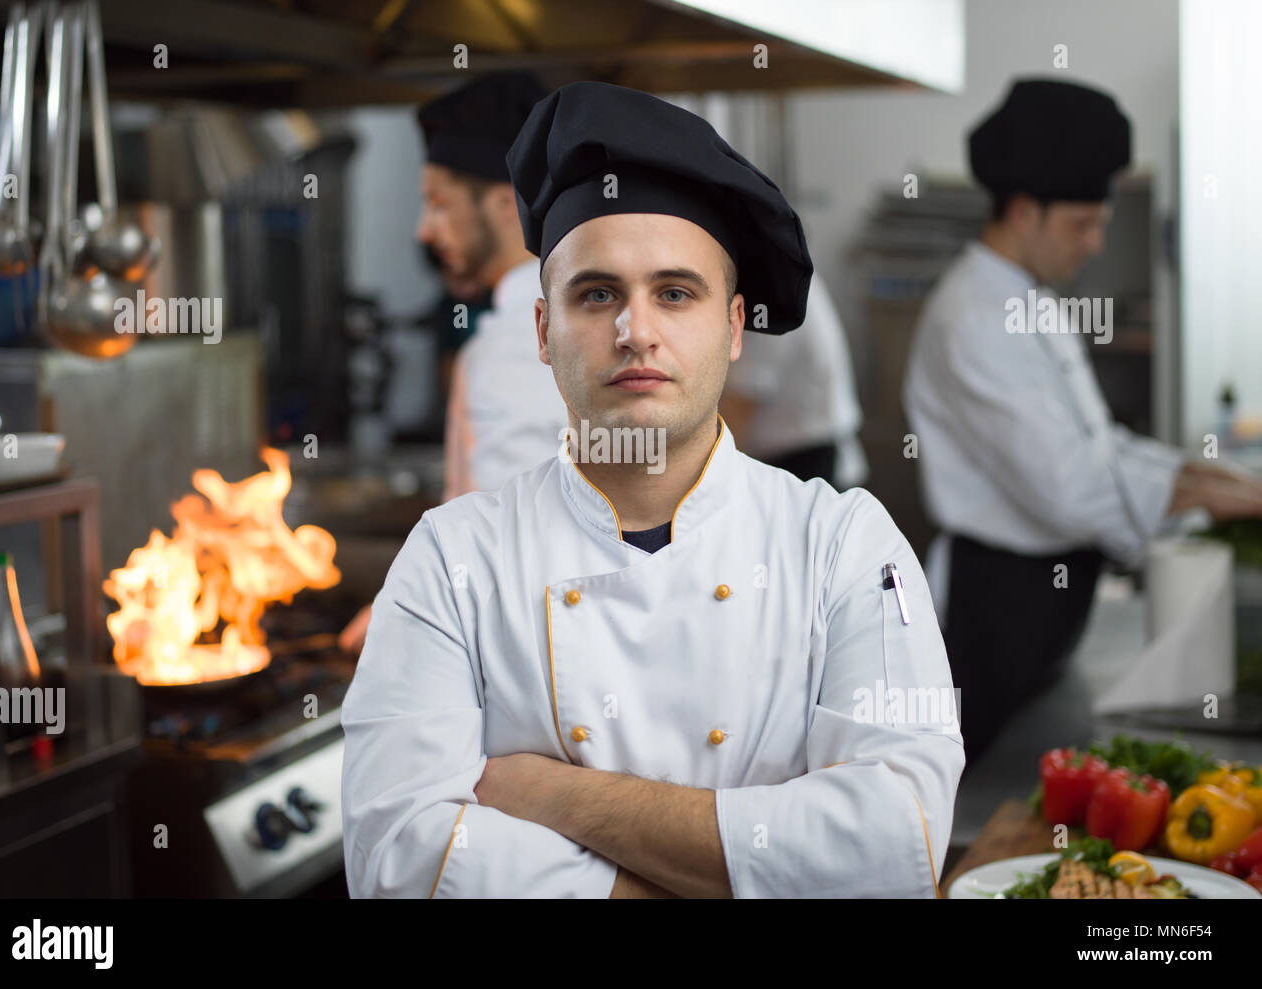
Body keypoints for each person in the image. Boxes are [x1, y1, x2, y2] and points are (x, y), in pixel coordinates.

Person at [341, 81, 964, 898]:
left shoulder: (845, 544)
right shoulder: (451, 558)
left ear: (735, 327)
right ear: (543, 331)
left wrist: (557, 795)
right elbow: (395, 859)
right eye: (597, 294)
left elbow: (900, 840)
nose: (636, 329)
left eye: (675, 292)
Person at [904, 78, 1262, 765]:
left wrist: (1201, 475)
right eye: (1082, 224)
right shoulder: (975, 318)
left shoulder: (1031, 300)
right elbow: (1069, 485)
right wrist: (1205, 494)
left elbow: (1098, 444)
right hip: (997, 606)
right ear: (1021, 210)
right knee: (990, 781)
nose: (1097, 242)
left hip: (1047, 601)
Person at [339, 71, 565, 655]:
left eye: (439, 203)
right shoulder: (563, 321)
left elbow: (505, 557)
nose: (424, 230)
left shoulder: (513, 347)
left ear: (502, 203)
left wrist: (409, 621)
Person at [720, 270, 868, 488]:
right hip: (793, 453)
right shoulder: (786, 276)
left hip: (803, 459)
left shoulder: (773, 284)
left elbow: (741, 402)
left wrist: (711, 481)